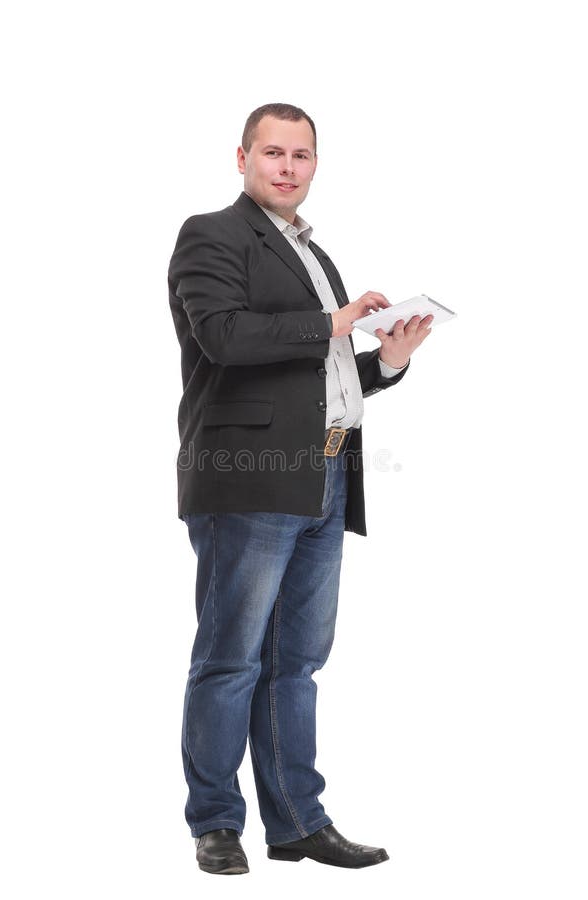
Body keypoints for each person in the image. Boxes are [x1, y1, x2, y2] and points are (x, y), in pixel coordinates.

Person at [167, 102, 433, 875]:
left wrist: (388, 359)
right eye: (273, 153)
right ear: (242, 157)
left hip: (323, 471)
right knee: (230, 659)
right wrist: (332, 322)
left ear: (316, 165)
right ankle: (216, 821)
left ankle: (296, 822)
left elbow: (324, 380)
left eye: (302, 156)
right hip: (246, 480)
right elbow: (223, 334)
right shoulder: (211, 235)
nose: (288, 168)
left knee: (297, 663)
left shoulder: (317, 257)